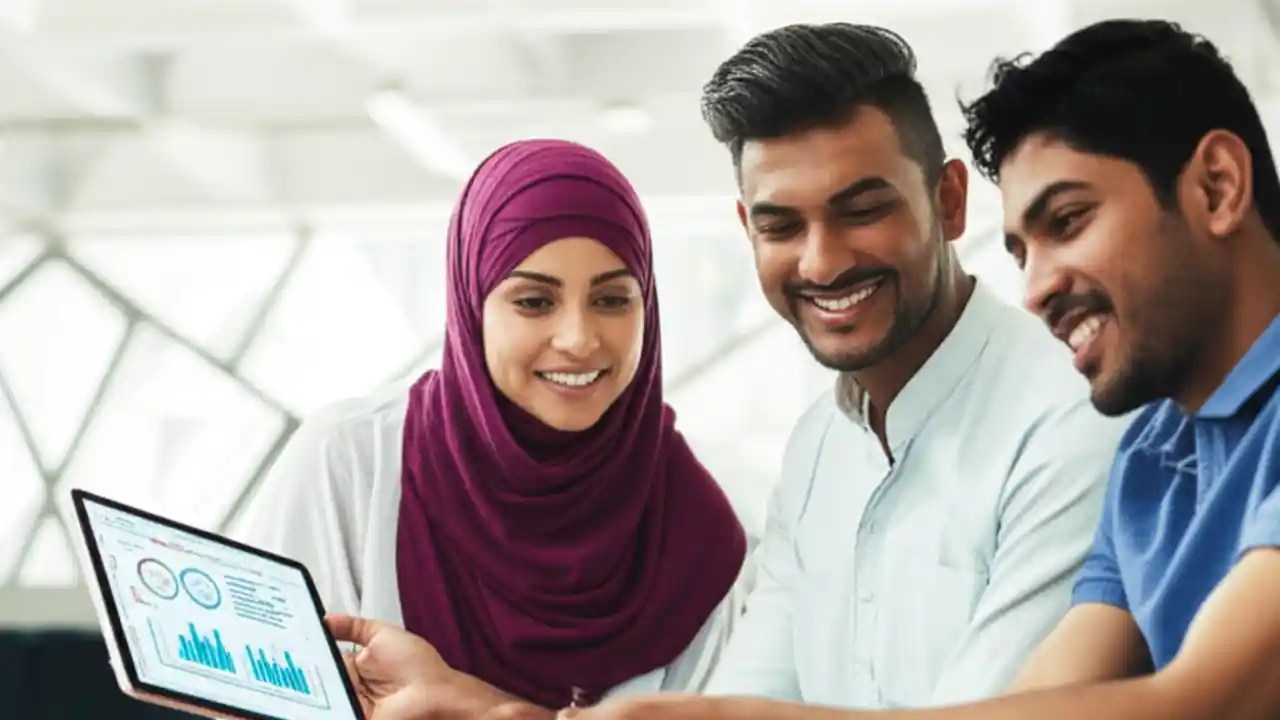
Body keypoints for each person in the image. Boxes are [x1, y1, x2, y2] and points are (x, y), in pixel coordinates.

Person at [323, 21, 1133, 717]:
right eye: (783, 224)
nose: (823, 260)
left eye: (863, 209)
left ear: (950, 202)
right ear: (749, 230)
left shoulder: (1072, 424)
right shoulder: (820, 450)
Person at [543, 16, 1280, 720]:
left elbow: (1200, 705)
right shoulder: (1153, 450)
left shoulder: (1085, 419)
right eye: (1024, 250)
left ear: (1217, 186)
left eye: (1069, 222)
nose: (1038, 288)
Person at [233, 138, 747, 718]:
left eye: (611, 299)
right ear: (470, 305)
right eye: (533, 301)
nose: (578, 338)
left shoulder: (693, 530)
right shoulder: (351, 465)